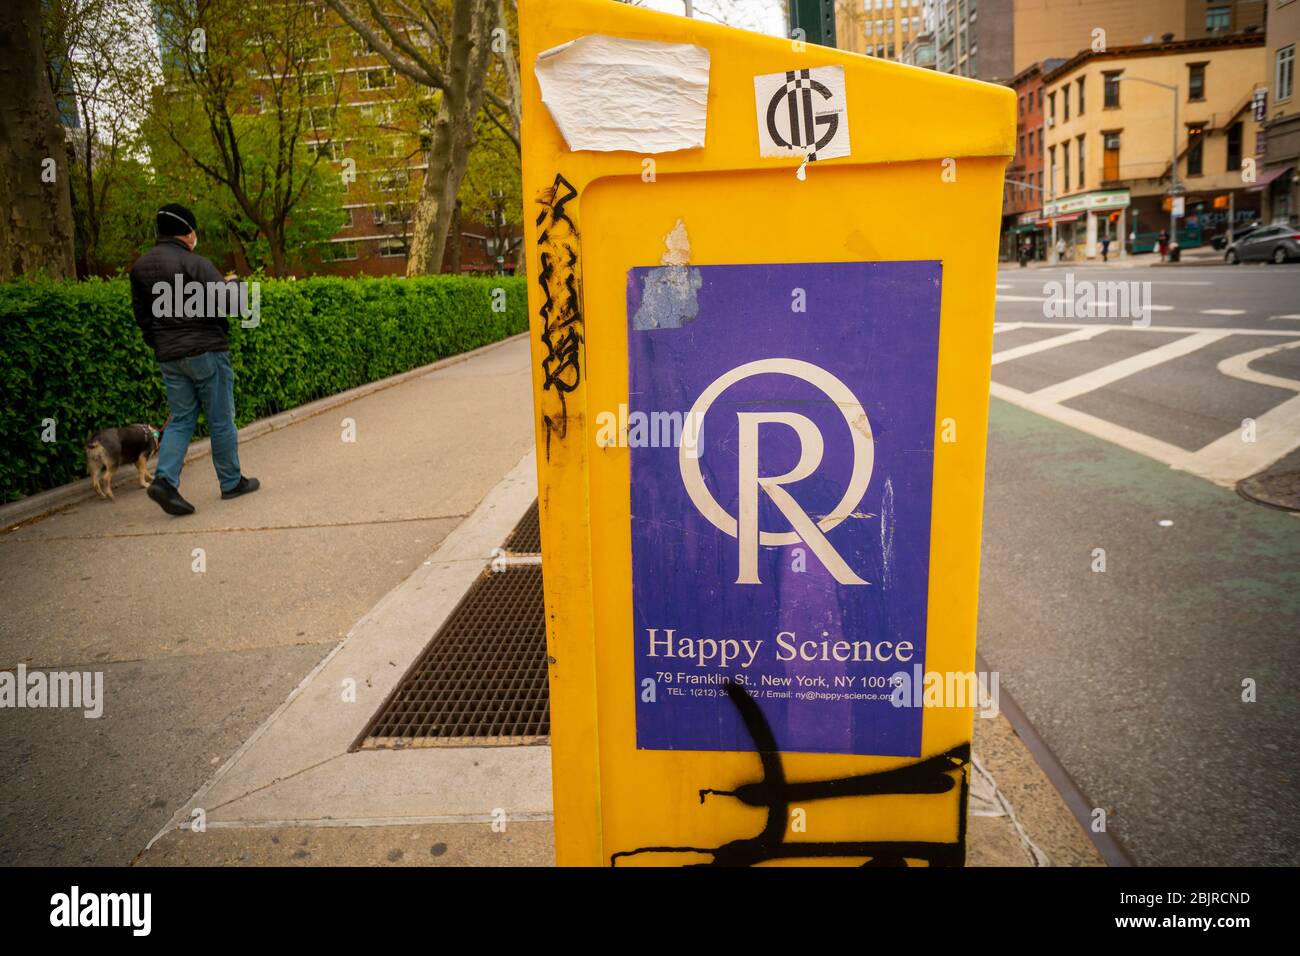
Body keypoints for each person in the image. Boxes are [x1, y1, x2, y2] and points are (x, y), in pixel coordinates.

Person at [129, 203, 259, 516]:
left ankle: (165, 481)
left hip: (170, 357)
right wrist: (235, 285)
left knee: (182, 418)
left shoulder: (140, 268)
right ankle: (231, 482)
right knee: (220, 418)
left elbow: (143, 318)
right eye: (193, 229)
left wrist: (161, 345)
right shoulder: (194, 263)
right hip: (206, 351)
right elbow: (232, 304)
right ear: (187, 232)